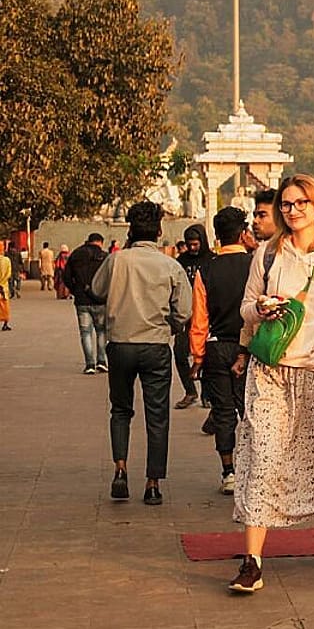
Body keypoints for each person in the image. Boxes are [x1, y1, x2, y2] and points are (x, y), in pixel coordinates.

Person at [228, 174, 314, 594]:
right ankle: (253, 561)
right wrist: (261, 308)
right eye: (286, 204)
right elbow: (244, 308)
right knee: (261, 459)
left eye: (301, 203)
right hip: (268, 373)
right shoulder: (267, 254)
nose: (292, 210)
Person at [90, 201, 193, 505]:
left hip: (120, 343)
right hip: (156, 345)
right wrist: (169, 326)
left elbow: (96, 289)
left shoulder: (117, 260)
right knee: (157, 416)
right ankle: (152, 483)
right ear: (159, 230)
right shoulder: (170, 265)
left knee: (121, 410)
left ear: (131, 229)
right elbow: (184, 311)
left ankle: (120, 469)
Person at [188, 208, 256, 495]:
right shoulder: (256, 265)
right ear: (243, 233)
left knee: (224, 412)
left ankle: (228, 472)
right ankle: (255, 470)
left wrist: (198, 357)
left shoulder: (206, 270)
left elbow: (199, 320)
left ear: (216, 235)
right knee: (252, 412)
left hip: (216, 348)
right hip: (250, 349)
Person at [173, 224, 215, 409]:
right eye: (189, 245)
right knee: (180, 353)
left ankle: (207, 394)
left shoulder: (212, 260)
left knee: (206, 356)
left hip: (206, 315)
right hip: (186, 315)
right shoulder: (181, 261)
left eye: (196, 244)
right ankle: (190, 391)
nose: (192, 248)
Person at [64, 233, 110, 374]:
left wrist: (75, 290)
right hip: (100, 300)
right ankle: (101, 361)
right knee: (101, 331)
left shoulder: (76, 254)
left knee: (85, 332)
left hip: (82, 300)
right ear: (100, 242)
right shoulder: (105, 256)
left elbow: (66, 276)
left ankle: (90, 364)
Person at [0, 241, 12, 331]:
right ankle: (5, 324)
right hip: (3, 286)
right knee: (5, 306)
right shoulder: (6, 260)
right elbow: (8, 273)